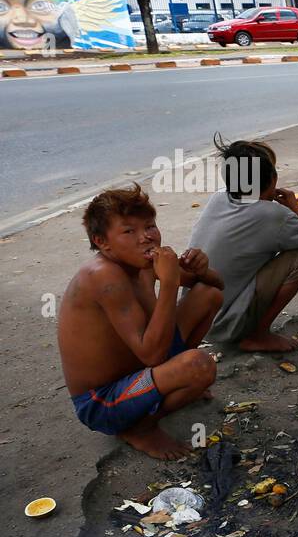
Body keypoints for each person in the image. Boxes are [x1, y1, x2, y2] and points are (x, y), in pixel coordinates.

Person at [58, 186, 224, 460]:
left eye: (150, 226)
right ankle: (139, 429)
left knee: (207, 295)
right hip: (103, 400)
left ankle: (172, 384)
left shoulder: (144, 263)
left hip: (141, 367)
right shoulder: (104, 276)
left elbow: (216, 286)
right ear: (102, 242)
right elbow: (152, 354)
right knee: (199, 365)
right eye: (129, 231)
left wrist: (202, 269)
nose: (145, 237)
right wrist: (169, 283)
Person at [188, 136, 298, 353]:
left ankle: (252, 328)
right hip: (225, 325)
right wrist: (297, 212)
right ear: (273, 179)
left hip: (197, 319)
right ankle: (258, 335)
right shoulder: (277, 216)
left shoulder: (218, 198)